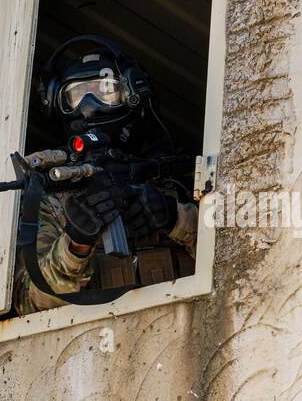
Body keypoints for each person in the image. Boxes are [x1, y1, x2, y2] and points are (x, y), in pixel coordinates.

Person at [13, 36, 198, 314]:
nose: (88, 104)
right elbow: (28, 303)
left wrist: (175, 217)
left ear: (132, 92)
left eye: (106, 91)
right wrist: (75, 244)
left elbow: (243, 255)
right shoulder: (52, 200)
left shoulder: (179, 176)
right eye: (75, 96)